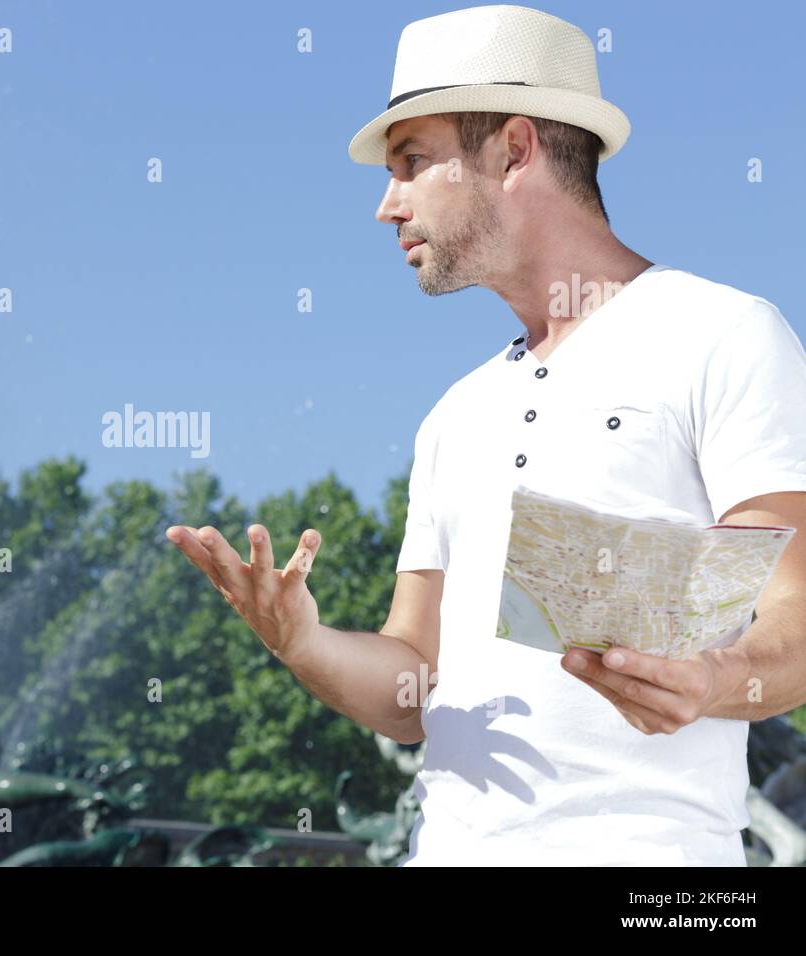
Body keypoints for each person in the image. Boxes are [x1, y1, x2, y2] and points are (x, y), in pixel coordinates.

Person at [167, 4, 806, 865]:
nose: (386, 206)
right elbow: (411, 688)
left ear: (513, 149)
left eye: (412, 164)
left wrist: (713, 680)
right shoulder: (454, 416)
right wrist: (304, 643)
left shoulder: (724, 336)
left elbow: (796, 614)